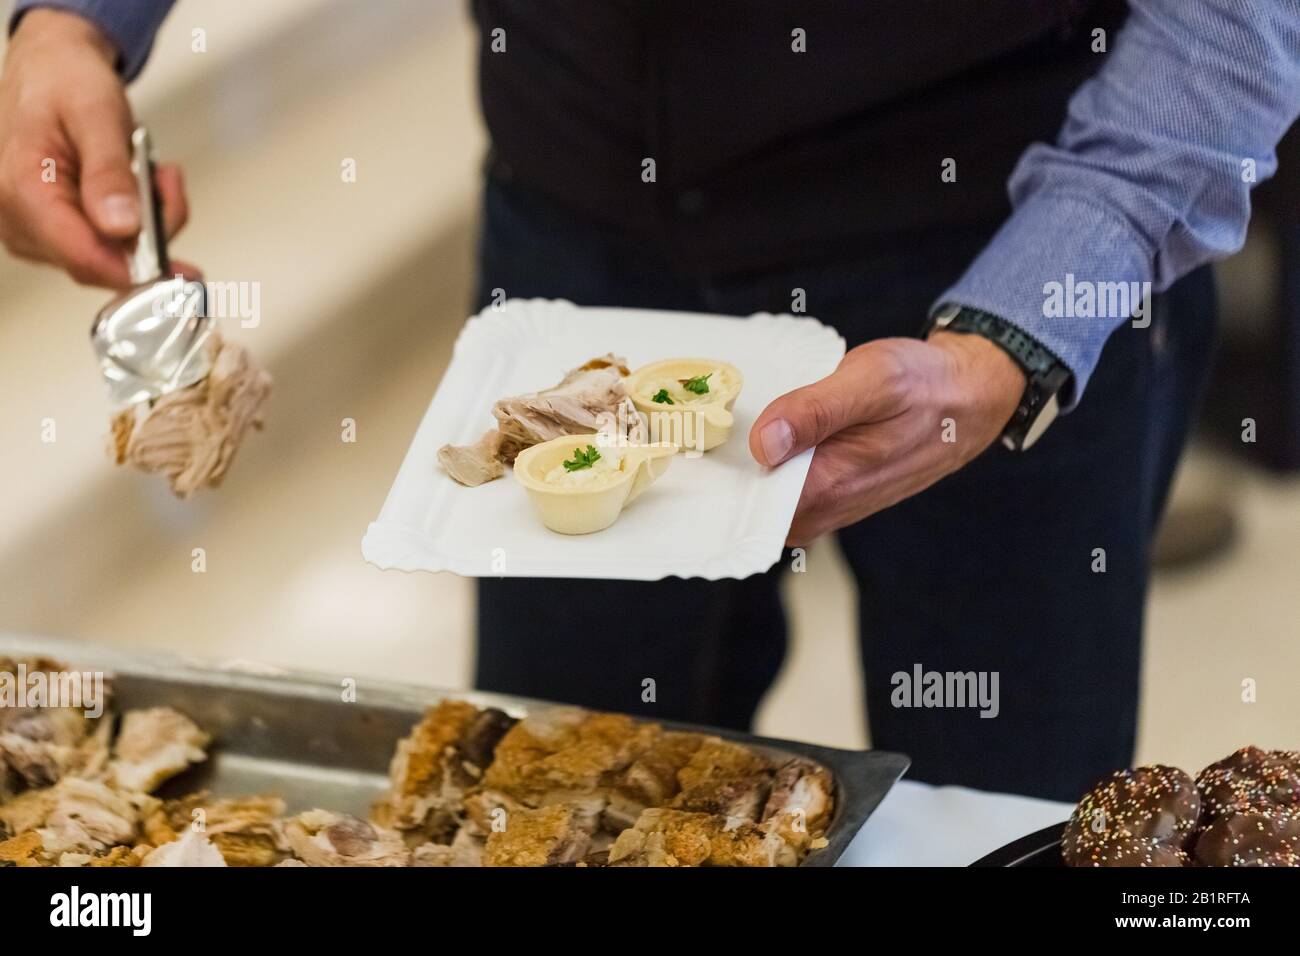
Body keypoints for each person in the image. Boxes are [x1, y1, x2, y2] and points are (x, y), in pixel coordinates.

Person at [2, 1, 1297, 801]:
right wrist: (75, 16)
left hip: (998, 223)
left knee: (1001, 806)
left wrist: (1033, 313)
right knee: (550, 791)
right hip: (580, 219)